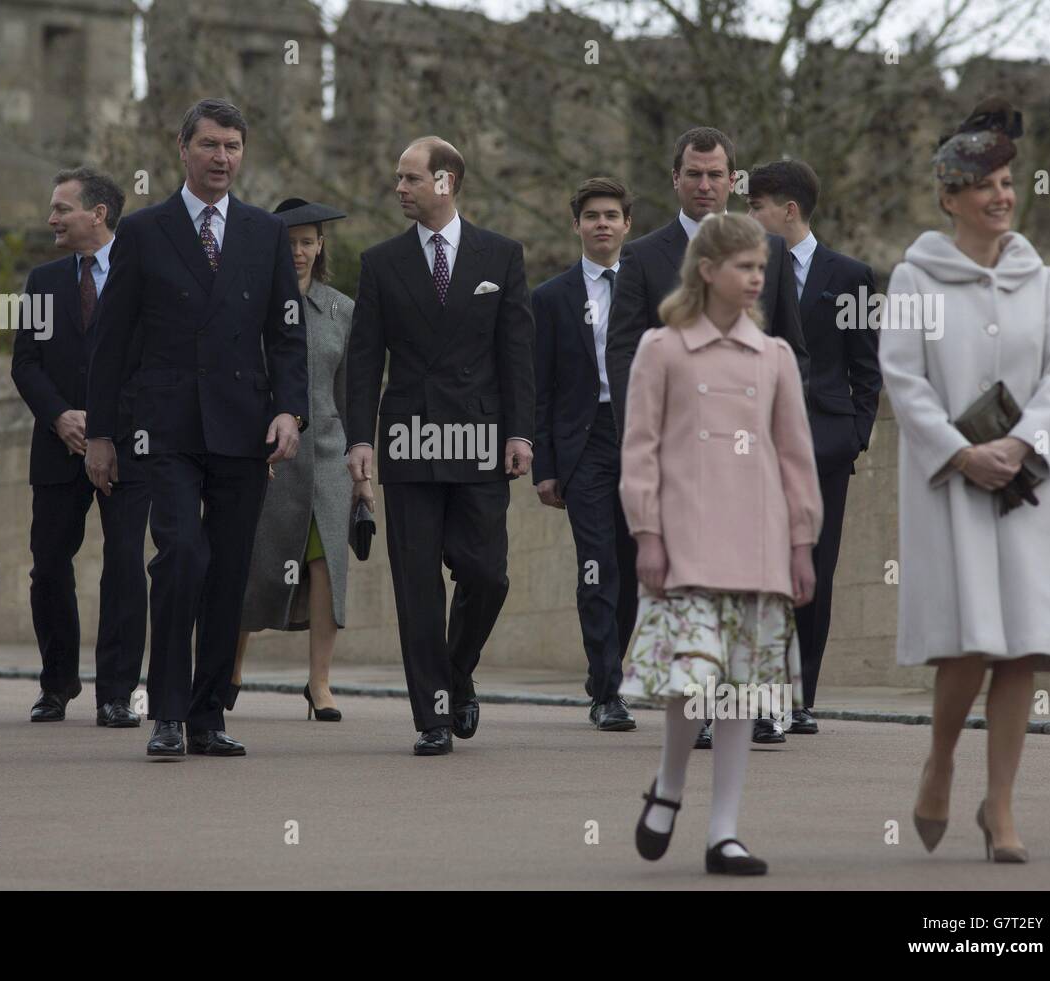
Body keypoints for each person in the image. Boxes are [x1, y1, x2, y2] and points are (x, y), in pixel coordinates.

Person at [882, 98, 1050, 863]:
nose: (1002, 194)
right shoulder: (914, 275)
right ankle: (939, 762)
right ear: (950, 196)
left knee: (1021, 648)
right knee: (969, 643)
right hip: (955, 485)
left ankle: (1000, 804)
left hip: (1026, 485)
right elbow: (902, 378)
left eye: (1007, 180)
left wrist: (1024, 441)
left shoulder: (1038, 275)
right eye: (985, 185)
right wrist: (964, 453)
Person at [85, 99, 308, 758]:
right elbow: (112, 340)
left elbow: (287, 335)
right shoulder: (145, 231)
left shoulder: (265, 233)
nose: (222, 158)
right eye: (209, 145)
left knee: (229, 571)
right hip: (167, 429)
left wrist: (289, 411)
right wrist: (102, 433)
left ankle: (209, 714)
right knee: (182, 557)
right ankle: (168, 712)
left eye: (233, 146)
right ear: (183, 150)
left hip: (244, 429)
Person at [620, 213, 821, 874]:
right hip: (687, 541)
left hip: (758, 545)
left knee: (741, 690)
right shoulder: (663, 348)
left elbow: (795, 457)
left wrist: (801, 542)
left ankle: (724, 832)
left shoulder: (775, 358)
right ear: (707, 271)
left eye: (762, 267)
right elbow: (640, 450)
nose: (756, 278)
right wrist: (647, 532)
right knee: (693, 679)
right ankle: (670, 785)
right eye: (743, 266)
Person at [605, 126, 810, 748]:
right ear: (676, 179)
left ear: (732, 181)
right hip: (684, 460)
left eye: (715, 175)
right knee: (695, 585)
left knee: (756, 582)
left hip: (752, 459)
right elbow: (623, 356)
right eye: (693, 174)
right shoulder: (641, 258)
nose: (704, 185)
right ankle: (697, 709)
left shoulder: (765, 252)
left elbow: (791, 350)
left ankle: (759, 706)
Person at [345, 135, 535, 756]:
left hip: (479, 438)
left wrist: (519, 432)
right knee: (417, 582)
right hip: (408, 438)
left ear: (446, 181)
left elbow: (516, 353)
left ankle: (455, 674)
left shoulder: (502, 256)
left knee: (487, 575)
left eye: (410, 178)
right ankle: (432, 714)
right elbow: (365, 358)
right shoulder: (380, 263)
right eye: (398, 179)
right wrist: (359, 440)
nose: (399, 188)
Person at [12, 167, 150, 727]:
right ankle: (57, 683)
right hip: (57, 448)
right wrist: (59, 416)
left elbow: (151, 363)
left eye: (62, 209)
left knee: (123, 566)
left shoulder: (144, 276)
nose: (52, 219)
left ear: (98, 214)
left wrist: (108, 428)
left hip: (127, 449)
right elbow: (25, 363)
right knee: (48, 568)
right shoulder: (43, 282)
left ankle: (116, 693)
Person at [748, 160, 882, 734]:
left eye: (756, 206)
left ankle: (802, 696)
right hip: (755, 445)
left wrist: (852, 439)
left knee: (815, 573)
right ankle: (764, 695)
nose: (749, 216)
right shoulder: (745, 271)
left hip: (825, 447)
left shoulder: (851, 275)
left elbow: (867, 367)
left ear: (788, 210)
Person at [234, 198, 365, 722]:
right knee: (251, 563)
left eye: (308, 242)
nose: (299, 252)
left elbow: (350, 393)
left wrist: (363, 469)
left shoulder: (343, 309)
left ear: (321, 245)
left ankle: (320, 684)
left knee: (327, 565)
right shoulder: (251, 302)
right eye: (289, 244)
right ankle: (231, 668)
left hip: (330, 457)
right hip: (269, 456)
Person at [532, 176, 638, 732]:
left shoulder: (656, 290)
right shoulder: (551, 298)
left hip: (644, 435)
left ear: (627, 225)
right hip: (586, 440)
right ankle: (609, 691)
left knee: (637, 567)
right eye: (592, 215)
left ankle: (605, 675)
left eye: (612, 215)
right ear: (576, 224)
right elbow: (539, 388)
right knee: (597, 564)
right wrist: (546, 468)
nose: (602, 223)